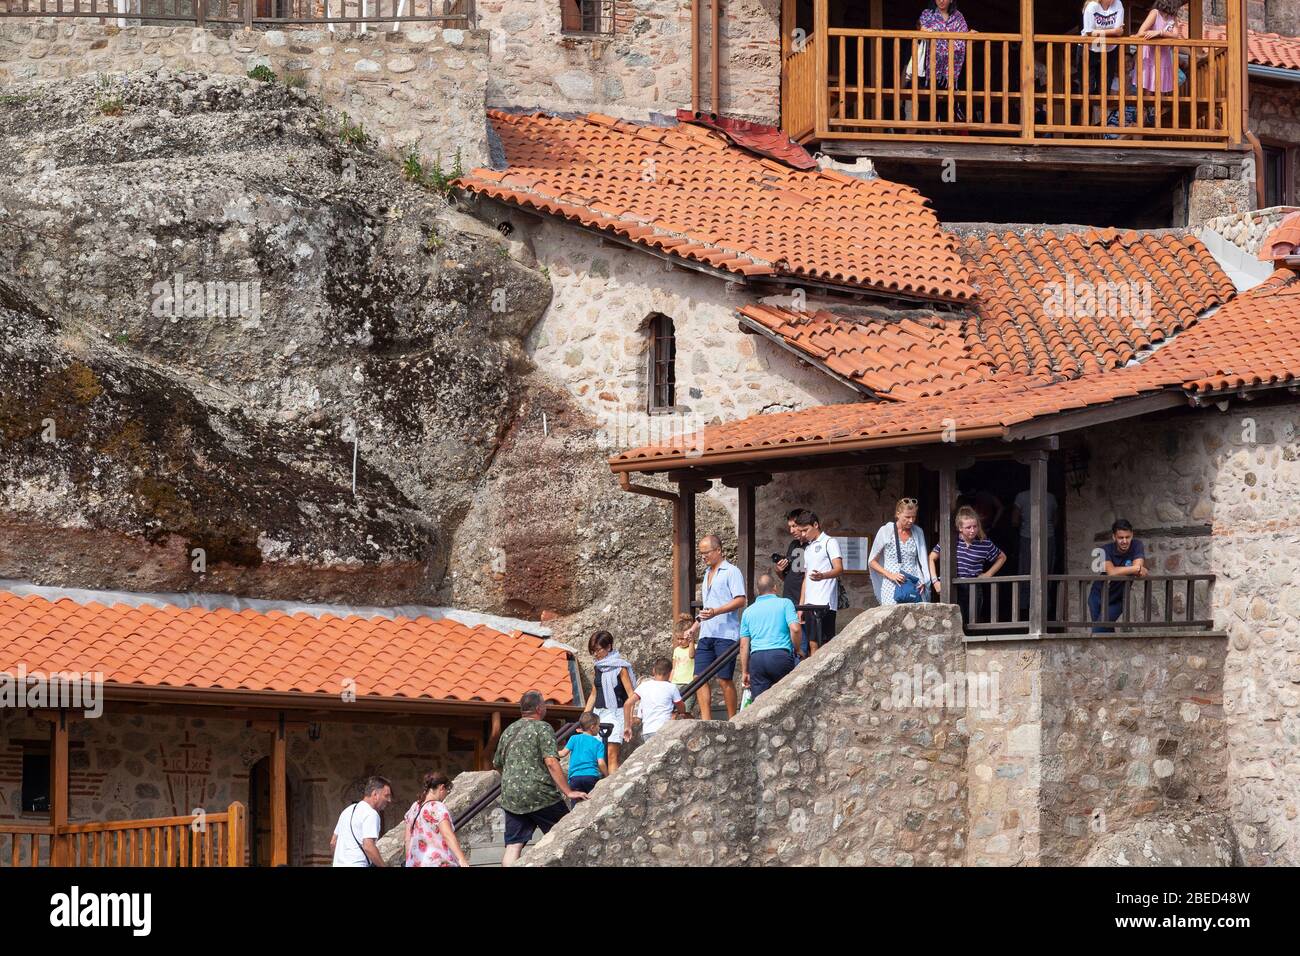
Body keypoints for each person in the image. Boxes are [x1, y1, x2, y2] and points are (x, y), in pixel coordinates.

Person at [493, 690, 589, 867]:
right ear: (538, 708)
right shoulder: (542, 727)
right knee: (566, 832)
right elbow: (551, 761)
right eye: (544, 705)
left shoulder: (509, 730)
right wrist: (568, 791)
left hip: (511, 796)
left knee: (513, 845)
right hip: (540, 793)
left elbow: (498, 763)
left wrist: (515, 780)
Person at [1106, 0, 1183, 137]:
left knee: (1160, 93)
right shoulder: (1155, 13)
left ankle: (1156, 125)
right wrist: (1154, 33)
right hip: (1151, 57)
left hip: (1163, 58)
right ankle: (1141, 124)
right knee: (1146, 94)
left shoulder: (1172, 18)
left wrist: (1159, 32)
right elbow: (1142, 32)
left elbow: (1176, 35)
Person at [694, 534, 746, 720]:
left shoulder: (732, 571)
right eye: (701, 553)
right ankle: (705, 720)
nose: (703, 557)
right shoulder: (707, 573)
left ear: (718, 550)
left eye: (706, 552)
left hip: (726, 633)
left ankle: (733, 718)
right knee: (699, 678)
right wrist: (694, 626)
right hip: (706, 633)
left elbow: (740, 599)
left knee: (724, 679)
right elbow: (707, 607)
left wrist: (717, 611)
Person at [929, 506, 1007, 627]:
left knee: (972, 624)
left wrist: (988, 574)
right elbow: (932, 557)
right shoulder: (950, 541)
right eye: (968, 527)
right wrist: (935, 581)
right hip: (953, 587)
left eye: (975, 526)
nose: (972, 530)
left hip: (974, 588)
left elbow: (1002, 557)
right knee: (953, 624)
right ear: (960, 528)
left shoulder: (983, 542)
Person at [739, 573, 803, 700]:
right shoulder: (785, 603)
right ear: (775, 587)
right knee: (784, 700)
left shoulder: (748, 611)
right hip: (780, 656)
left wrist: (745, 671)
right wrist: (797, 649)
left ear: (758, 590)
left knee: (759, 703)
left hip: (756, 659)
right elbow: (795, 629)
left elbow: (743, 645)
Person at [582, 630, 636, 773]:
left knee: (612, 754)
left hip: (616, 713)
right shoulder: (598, 668)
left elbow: (631, 694)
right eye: (593, 651)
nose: (596, 654)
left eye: (598, 650)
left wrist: (629, 719)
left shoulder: (620, 668)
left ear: (609, 647)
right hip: (598, 714)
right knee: (596, 754)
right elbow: (594, 693)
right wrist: (585, 716)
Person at [908, 0, 971, 123]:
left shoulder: (958, 17)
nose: (941, 1)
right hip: (930, 67)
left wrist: (970, 35)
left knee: (947, 105)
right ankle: (926, 135)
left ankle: (947, 135)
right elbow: (920, 32)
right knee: (926, 104)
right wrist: (923, 32)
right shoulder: (927, 14)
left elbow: (963, 37)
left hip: (952, 69)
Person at [869, 498, 934, 606]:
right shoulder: (886, 531)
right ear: (898, 514)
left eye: (914, 517)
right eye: (907, 517)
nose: (911, 520)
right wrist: (890, 575)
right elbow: (872, 561)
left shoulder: (917, 532)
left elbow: (922, 559)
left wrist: (923, 580)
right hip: (891, 584)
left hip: (914, 584)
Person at [795, 510, 842, 655]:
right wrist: (801, 606)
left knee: (826, 644)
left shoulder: (830, 542)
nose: (803, 534)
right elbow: (806, 579)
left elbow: (839, 568)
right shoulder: (808, 548)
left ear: (816, 524)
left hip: (825, 602)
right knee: (812, 643)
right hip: (810, 603)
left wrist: (823, 575)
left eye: (805, 530)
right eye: (801, 531)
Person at [1088, 519, 1148, 632]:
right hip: (1097, 595)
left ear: (1132, 535)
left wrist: (1136, 569)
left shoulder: (1137, 545)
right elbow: (1112, 572)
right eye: (1121, 538)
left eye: (1127, 537)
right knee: (1104, 631)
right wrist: (1135, 568)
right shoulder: (1105, 550)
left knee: (1098, 629)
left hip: (1118, 598)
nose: (1124, 541)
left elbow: (1138, 569)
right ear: (1114, 537)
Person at [402, 772, 469, 868]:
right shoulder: (437, 807)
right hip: (437, 862)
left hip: (416, 862)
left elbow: (407, 839)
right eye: (447, 790)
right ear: (441, 788)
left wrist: (410, 859)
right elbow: (447, 835)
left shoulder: (414, 807)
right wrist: (462, 859)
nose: (446, 794)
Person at [1011, 486, 1059, 614]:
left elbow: (1014, 521)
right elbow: (1055, 521)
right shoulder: (1051, 497)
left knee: (1025, 571)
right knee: (1046, 570)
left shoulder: (1021, 496)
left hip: (1027, 537)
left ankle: (1024, 606)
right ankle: (1045, 605)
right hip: (1048, 537)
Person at [330, 775, 392, 867]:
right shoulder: (371, 814)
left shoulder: (347, 811)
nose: (389, 800)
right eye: (386, 796)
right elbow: (368, 846)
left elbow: (333, 843)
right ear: (375, 794)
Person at [627, 658, 686, 741]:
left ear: (653, 671)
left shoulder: (644, 686)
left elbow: (627, 704)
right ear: (670, 673)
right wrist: (681, 712)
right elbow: (681, 705)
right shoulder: (671, 687)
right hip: (664, 729)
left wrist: (627, 725)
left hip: (647, 731)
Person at [1079, 0, 1125, 94]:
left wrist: (1099, 32)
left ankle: (1101, 109)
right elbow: (1089, 32)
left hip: (1109, 50)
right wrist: (1112, 32)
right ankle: (1086, 109)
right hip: (1089, 49)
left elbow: (1119, 31)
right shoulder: (1092, 6)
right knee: (1087, 89)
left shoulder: (1118, 4)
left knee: (1105, 88)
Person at [557, 711, 607, 795]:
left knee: (576, 802)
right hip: (591, 777)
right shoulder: (599, 744)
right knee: (591, 802)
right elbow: (601, 763)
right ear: (592, 727)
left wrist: (547, 753)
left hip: (574, 777)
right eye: (598, 725)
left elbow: (562, 753)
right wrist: (607, 775)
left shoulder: (574, 738)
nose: (599, 728)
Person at [774, 508, 806, 604]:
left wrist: (802, 604)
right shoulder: (793, 544)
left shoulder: (812, 546)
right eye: (790, 527)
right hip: (789, 597)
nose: (791, 530)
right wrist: (778, 570)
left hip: (804, 600)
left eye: (794, 526)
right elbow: (787, 576)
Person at [670, 612, 698, 713]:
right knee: (673, 711)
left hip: (688, 682)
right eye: (678, 639)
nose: (680, 641)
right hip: (676, 683)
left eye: (682, 639)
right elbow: (674, 667)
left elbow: (691, 655)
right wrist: (670, 681)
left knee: (685, 711)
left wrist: (691, 642)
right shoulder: (677, 650)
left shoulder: (695, 647)